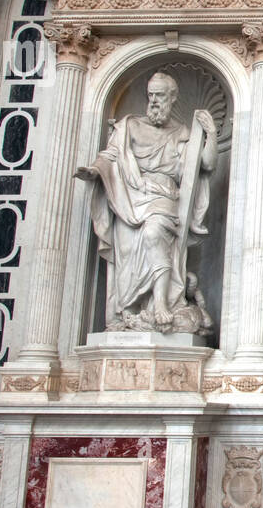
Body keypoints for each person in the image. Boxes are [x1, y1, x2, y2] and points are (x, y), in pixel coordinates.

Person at [75, 72, 216, 333]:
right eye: (150, 95)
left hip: (163, 195)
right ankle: (128, 312)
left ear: (173, 98)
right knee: (127, 255)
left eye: (160, 95)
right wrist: (95, 171)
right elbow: (112, 155)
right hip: (128, 198)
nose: (153, 101)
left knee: (154, 233)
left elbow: (205, 164)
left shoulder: (182, 134)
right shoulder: (130, 126)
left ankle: (162, 303)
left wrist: (212, 134)